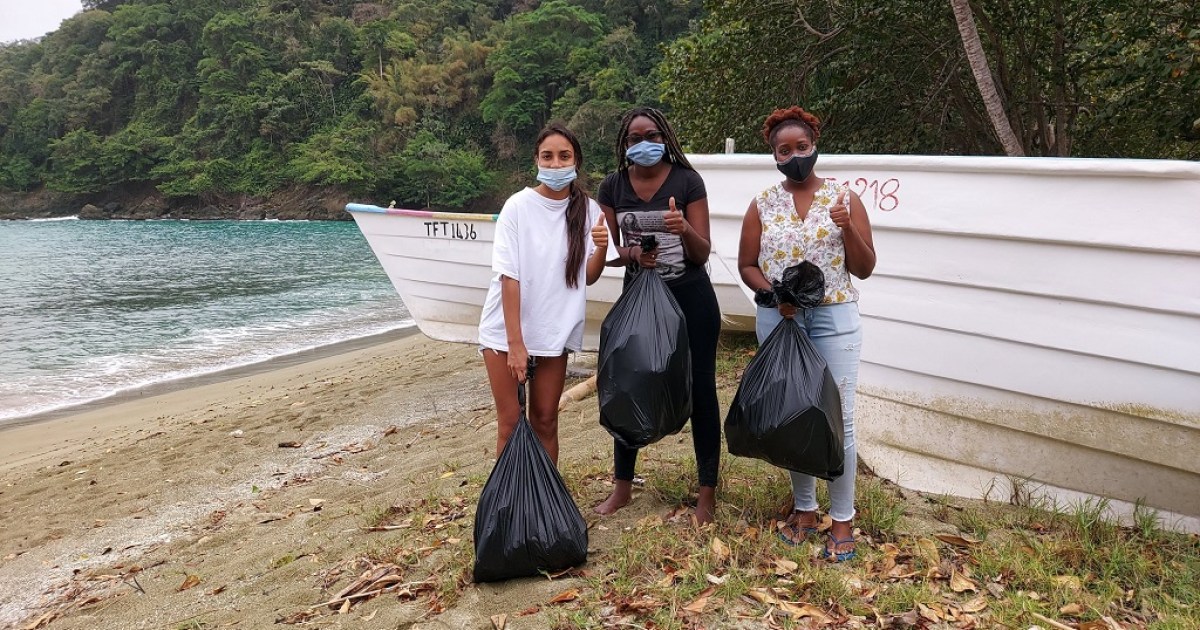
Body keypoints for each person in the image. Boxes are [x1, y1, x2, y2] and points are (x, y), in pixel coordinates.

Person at [736, 106, 876, 561]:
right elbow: (748, 265)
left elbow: (865, 267)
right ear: (773, 154)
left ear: (814, 146)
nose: (794, 155)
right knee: (792, 411)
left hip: (834, 317)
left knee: (839, 419)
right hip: (781, 319)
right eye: (783, 149)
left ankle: (843, 519)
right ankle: (805, 509)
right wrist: (771, 293)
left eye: (801, 147)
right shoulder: (762, 204)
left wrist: (848, 227)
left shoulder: (844, 199)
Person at [592, 106, 723, 525]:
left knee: (701, 389)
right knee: (627, 384)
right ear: (624, 144)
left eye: (651, 135)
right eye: (635, 138)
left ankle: (706, 493)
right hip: (640, 302)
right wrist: (633, 253)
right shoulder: (612, 187)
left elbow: (702, 253)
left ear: (664, 136)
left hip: (691, 300)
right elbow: (609, 251)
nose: (644, 143)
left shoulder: (687, 181)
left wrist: (683, 228)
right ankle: (623, 487)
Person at [478, 123, 613, 465]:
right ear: (536, 160)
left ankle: (545, 507)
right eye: (547, 156)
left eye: (564, 156)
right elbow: (510, 276)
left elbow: (588, 278)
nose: (555, 164)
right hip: (505, 333)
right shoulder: (517, 207)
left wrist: (601, 248)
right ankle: (508, 507)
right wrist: (516, 345)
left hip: (555, 330)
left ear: (576, 161)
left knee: (546, 421)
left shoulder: (589, 210)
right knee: (510, 424)